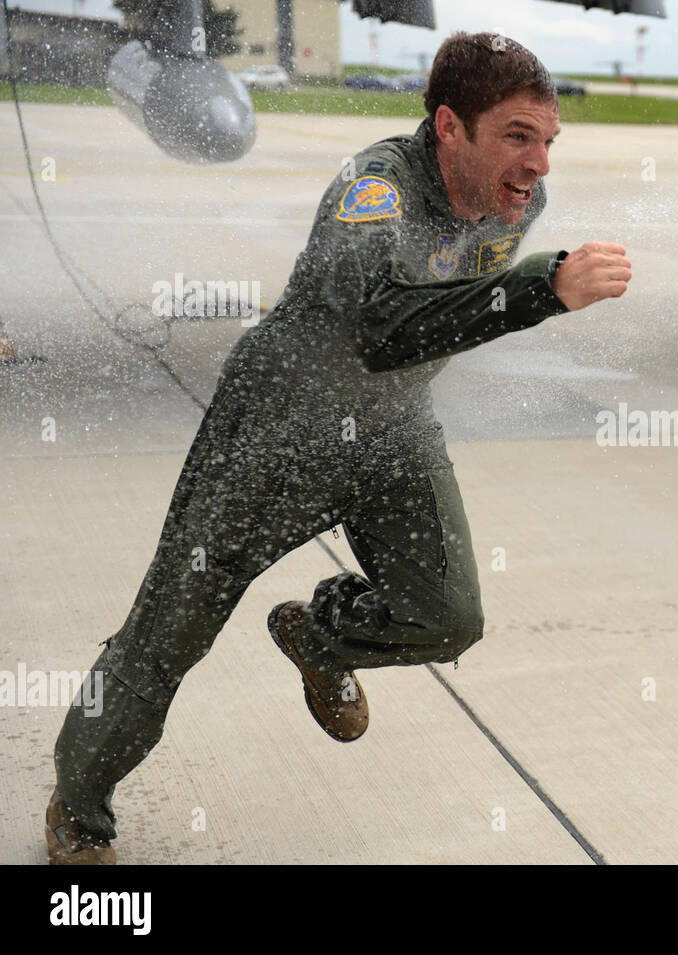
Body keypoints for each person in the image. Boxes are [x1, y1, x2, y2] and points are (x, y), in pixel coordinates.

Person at [44, 32, 632, 864]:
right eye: (516, 136)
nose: (537, 164)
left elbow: (451, 311)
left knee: (448, 617)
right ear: (450, 126)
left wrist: (524, 284)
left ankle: (317, 637)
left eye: (547, 141)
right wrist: (538, 289)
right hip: (275, 438)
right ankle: (78, 808)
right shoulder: (374, 190)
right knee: (167, 638)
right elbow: (379, 328)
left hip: (392, 433)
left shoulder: (518, 205)